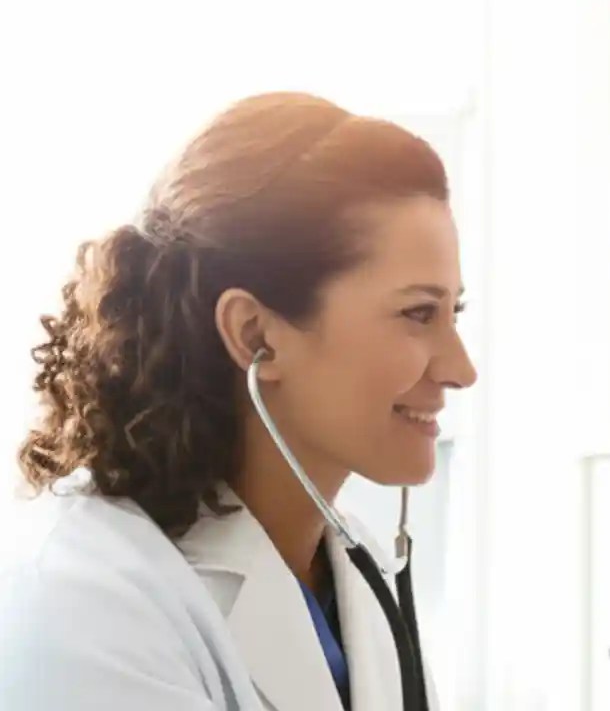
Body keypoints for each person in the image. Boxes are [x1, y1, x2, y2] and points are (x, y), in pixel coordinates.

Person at [0, 92, 476, 710]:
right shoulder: (87, 602)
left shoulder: (356, 578)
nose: (460, 368)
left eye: (453, 312)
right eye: (418, 313)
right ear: (256, 335)